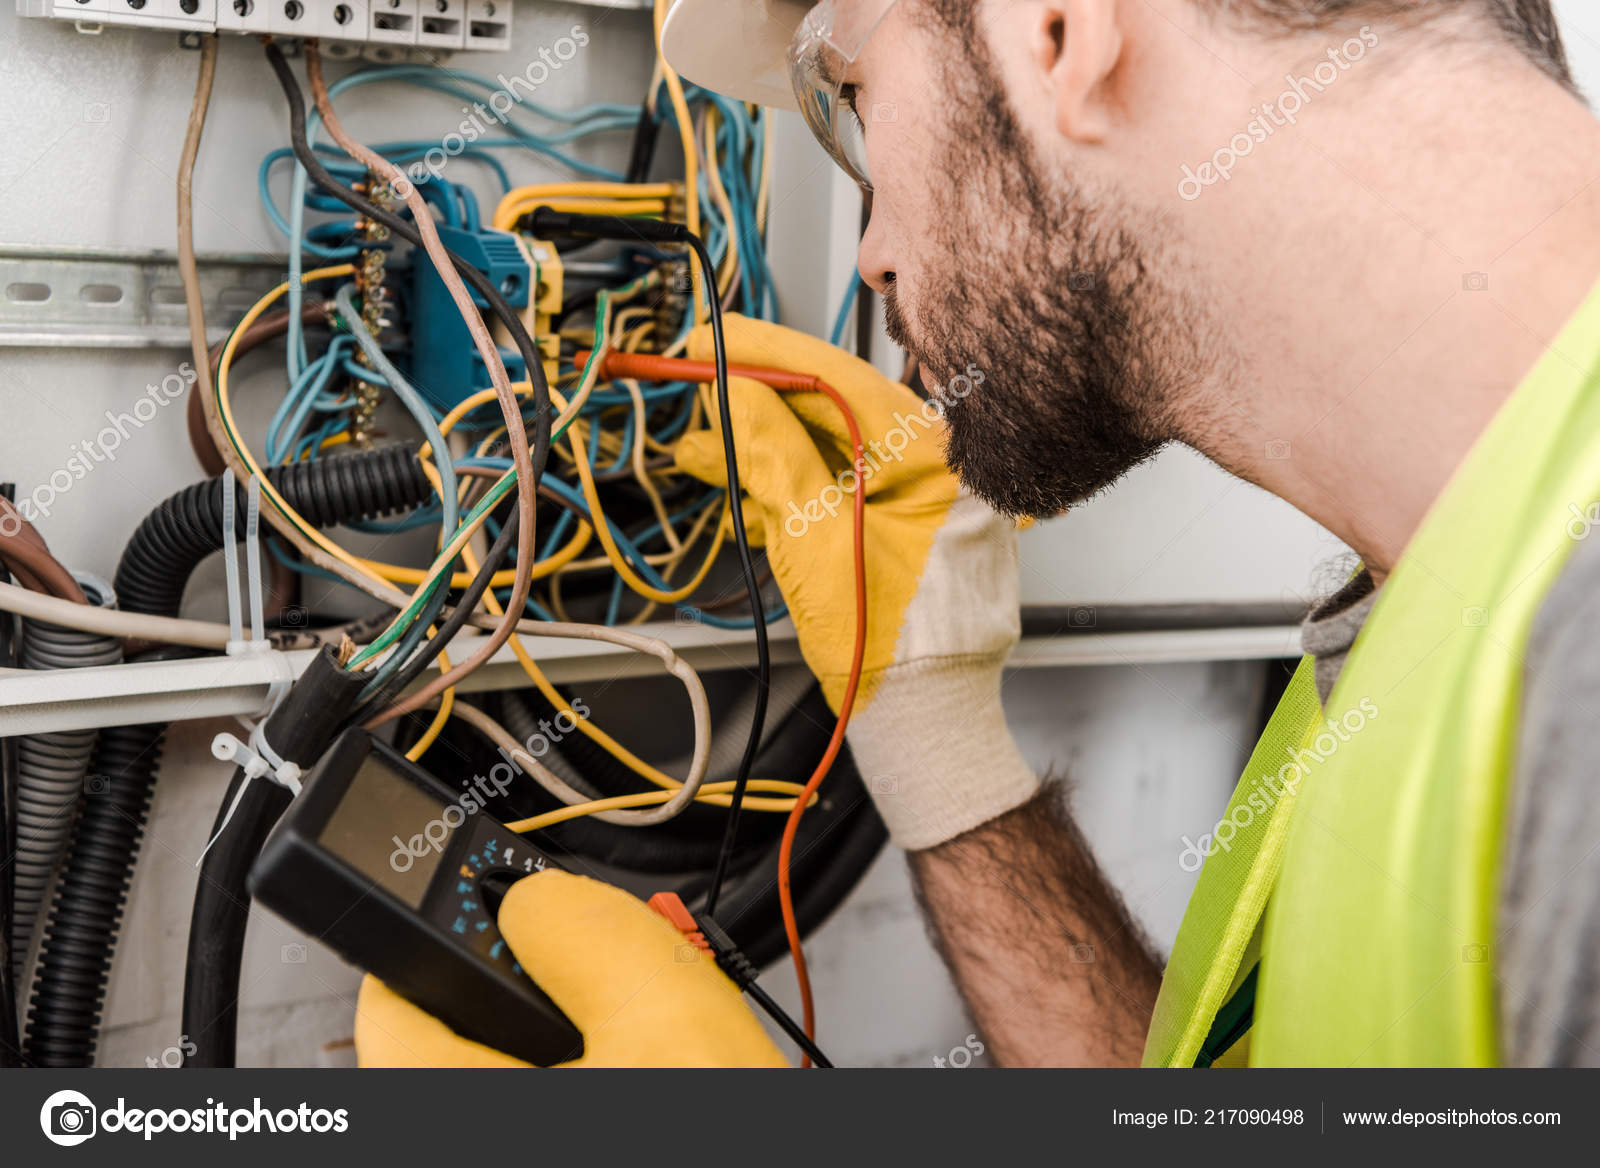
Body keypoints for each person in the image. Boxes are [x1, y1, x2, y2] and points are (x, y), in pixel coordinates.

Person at [359, 0, 1600, 1066]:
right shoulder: (1444, 586)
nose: (873, 256)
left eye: (851, 92)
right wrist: (933, 733)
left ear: (1061, 29)